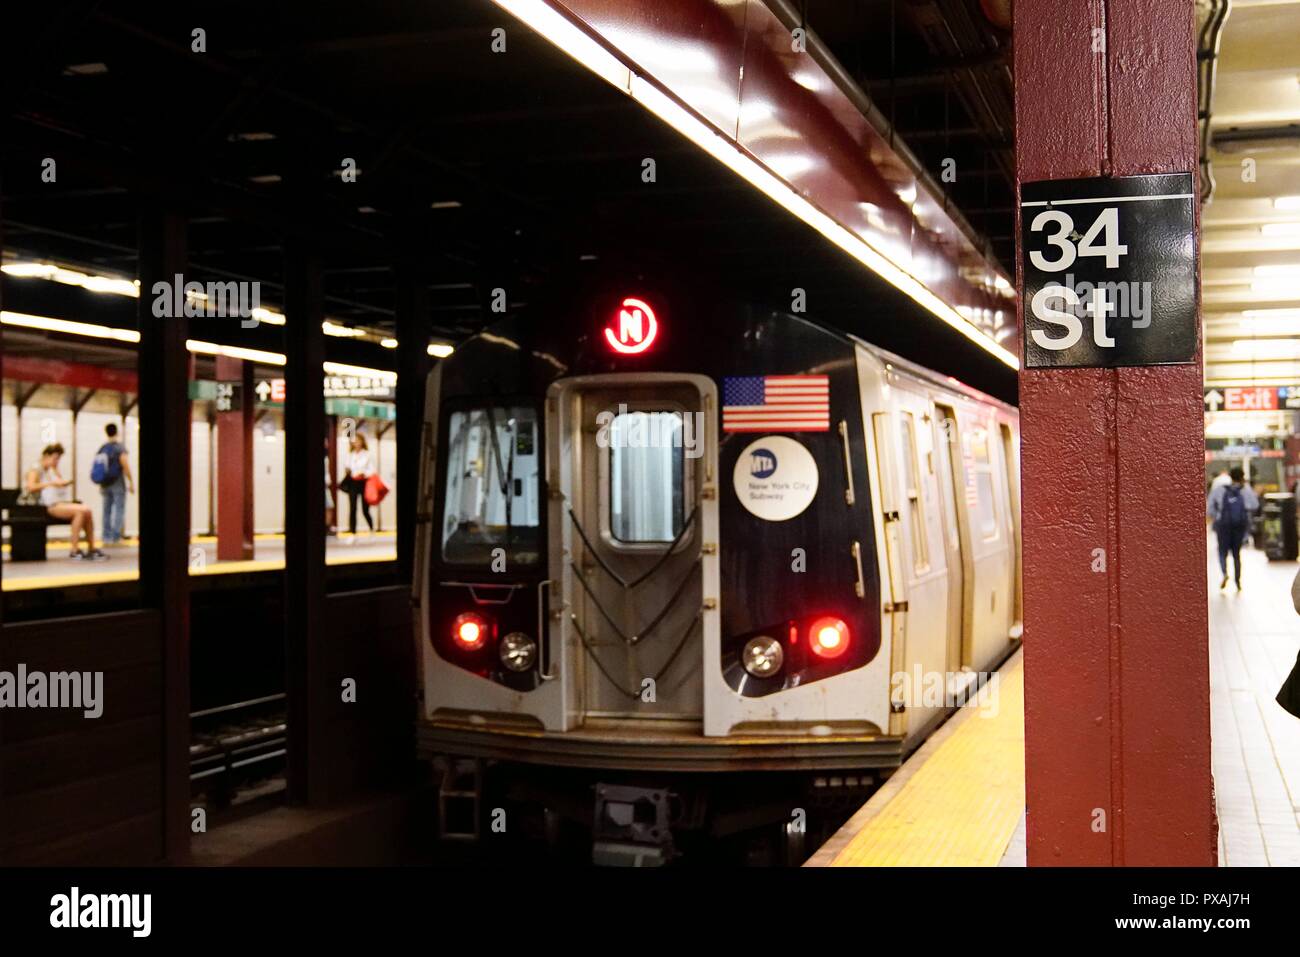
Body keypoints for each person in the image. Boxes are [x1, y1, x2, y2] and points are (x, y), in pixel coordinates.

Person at [22, 443, 107, 561]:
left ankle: (92, 548)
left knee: (87, 510)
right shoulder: (35, 468)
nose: (56, 462)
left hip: (54, 503)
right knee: (80, 512)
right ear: (46, 456)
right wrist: (52, 483)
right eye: (55, 458)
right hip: (40, 507)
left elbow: (58, 483)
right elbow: (30, 487)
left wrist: (56, 472)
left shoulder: (49, 470)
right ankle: (74, 549)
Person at [1206, 466, 1258, 591]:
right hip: (1239, 526)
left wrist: (1215, 517)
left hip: (1223, 525)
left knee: (1222, 552)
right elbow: (1255, 505)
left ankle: (1224, 574)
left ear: (1231, 477)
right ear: (1242, 477)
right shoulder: (1245, 490)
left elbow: (1211, 508)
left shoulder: (1220, 490)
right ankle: (1237, 581)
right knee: (1236, 554)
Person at [93, 423, 134, 545]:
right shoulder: (119, 447)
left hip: (104, 483)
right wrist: (131, 481)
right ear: (117, 432)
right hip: (117, 482)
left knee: (106, 510)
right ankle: (116, 537)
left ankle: (106, 537)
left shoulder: (102, 447)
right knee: (119, 509)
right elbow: (124, 464)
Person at [343, 432, 374, 540]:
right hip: (353, 482)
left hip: (363, 482)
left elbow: (372, 470)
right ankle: (353, 532)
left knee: (365, 509)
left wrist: (364, 473)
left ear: (362, 442)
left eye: (358, 440)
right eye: (355, 441)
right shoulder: (350, 455)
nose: (356, 443)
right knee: (352, 507)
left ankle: (371, 528)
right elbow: (347, 467)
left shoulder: (367, 454)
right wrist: (348, 470)